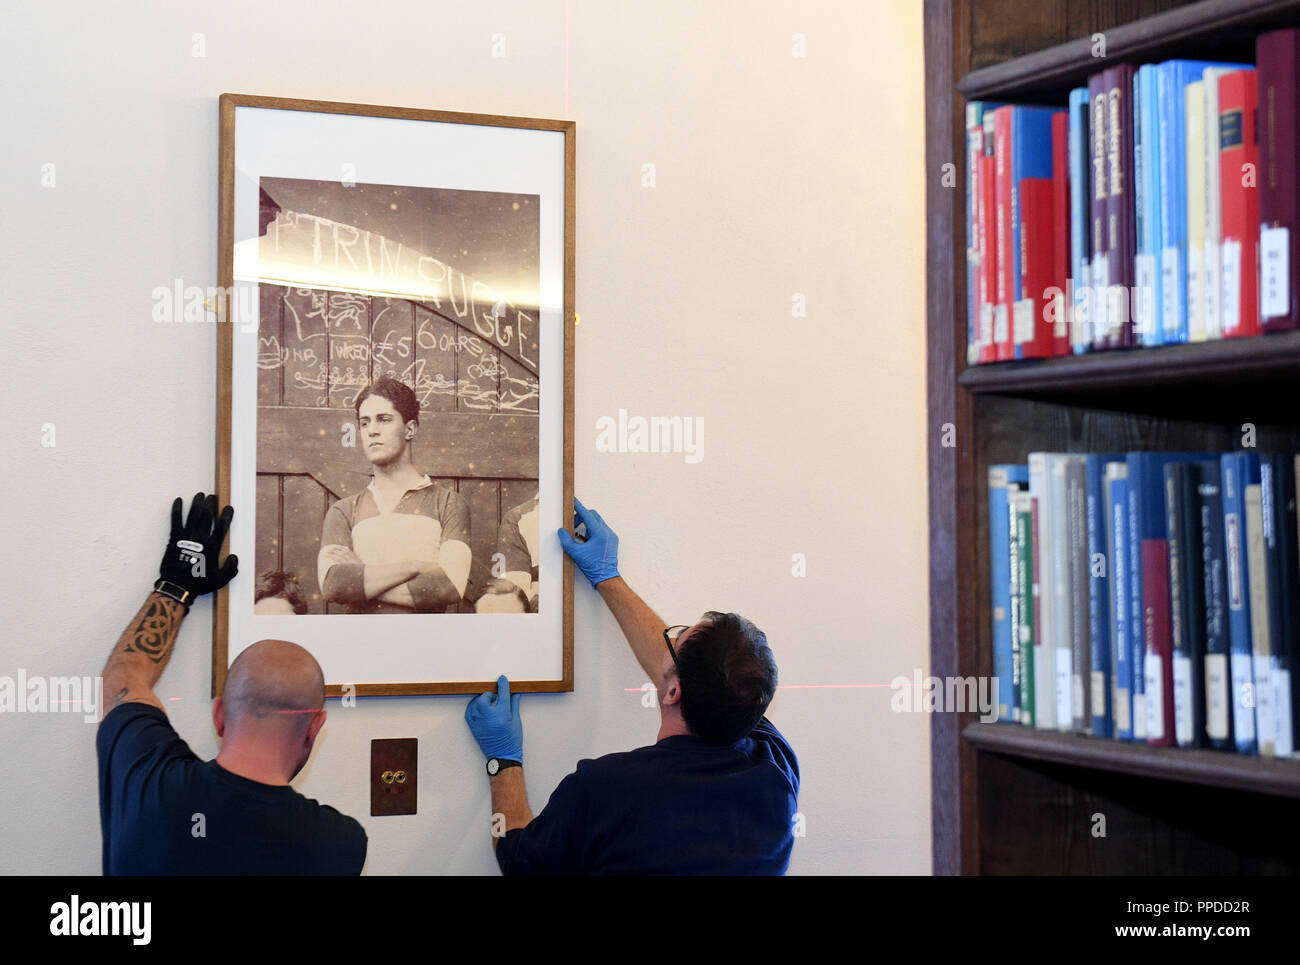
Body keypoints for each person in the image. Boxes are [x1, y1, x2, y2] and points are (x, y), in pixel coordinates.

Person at [464, 499, 799, 875]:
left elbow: (519, 860)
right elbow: (688, 673)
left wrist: (503, 760)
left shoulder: (607, 788)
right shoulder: (775, 769)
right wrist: (608, 577)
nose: (666, 642)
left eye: (675, 638)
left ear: (673, 692)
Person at [97, 492, 367, 875]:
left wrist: (176, 586)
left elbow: (121, 680)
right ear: (315, 727)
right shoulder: (339, 844)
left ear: (219, 714)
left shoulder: (147, 780)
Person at [318, 377, 471, 613]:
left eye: (384, 420)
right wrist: (415, 567)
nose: (372, 431)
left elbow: (448, 587)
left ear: (410, 429)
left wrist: (363, 576)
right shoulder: (344, 511)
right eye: (365, 423)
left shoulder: (448, 503)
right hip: (363, 641)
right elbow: (334, 585)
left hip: (425, 641)